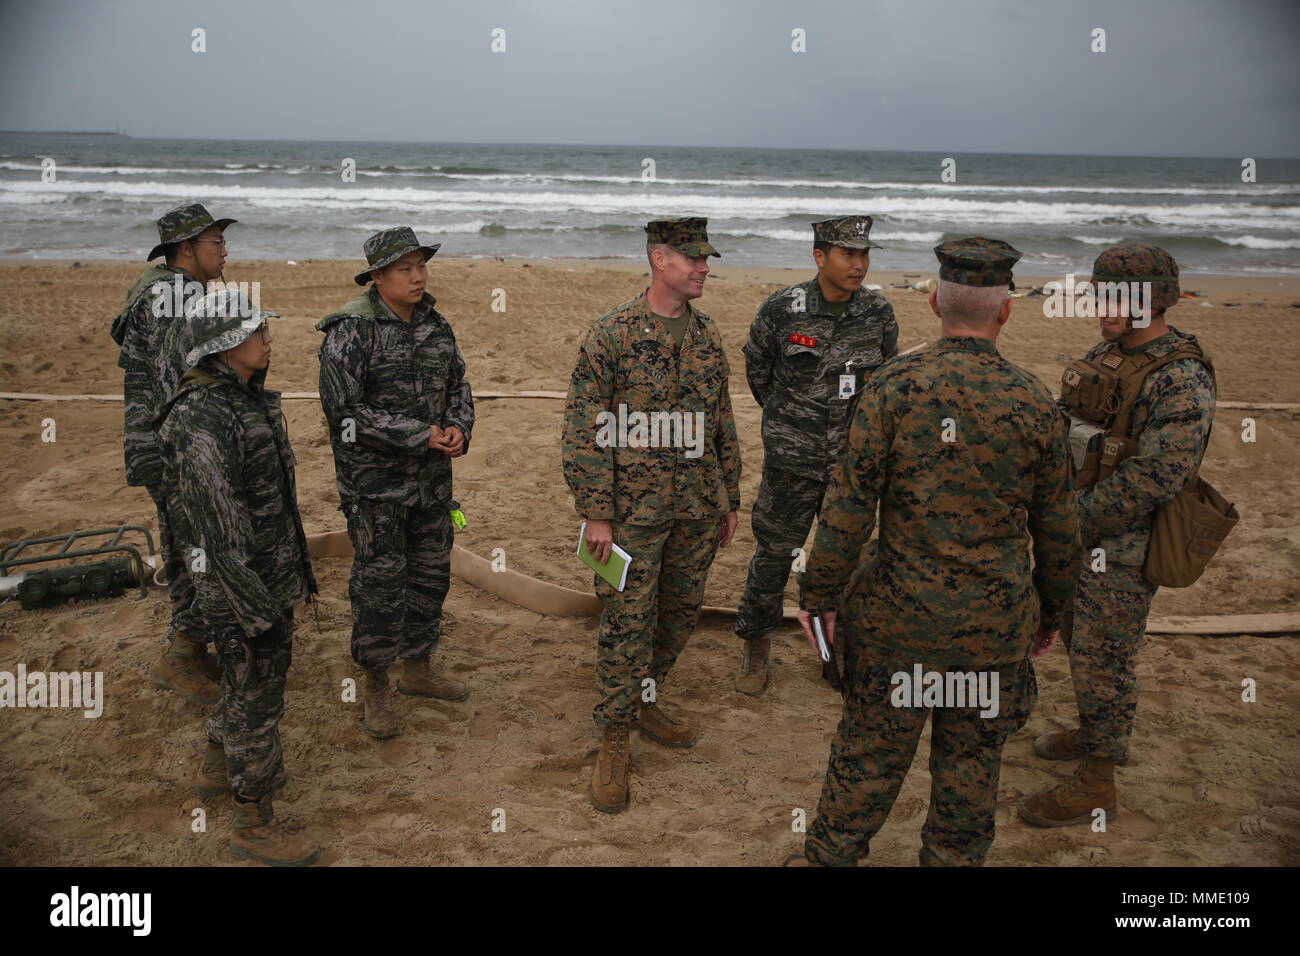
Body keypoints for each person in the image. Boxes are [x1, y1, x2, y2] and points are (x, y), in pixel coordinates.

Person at [790, 238, 1080, 865]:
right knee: (971, 769)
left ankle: (832, 857)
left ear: (933, 302)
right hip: (992, 626)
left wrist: (819, 598)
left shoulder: (894, 387)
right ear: (1005, 311)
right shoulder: (1034, 403)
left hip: (898, 623)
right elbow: (1060, 533)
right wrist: (1049, 615)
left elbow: (845, 509)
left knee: (868, 756)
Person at [1020, 244, 1215, 827]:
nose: (1101, 305)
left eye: (1117, 297)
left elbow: (1157, 476)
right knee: (1083, 646)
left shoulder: (1180, 377)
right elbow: (1067, 422)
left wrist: (1073, 522)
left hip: (1125, 548)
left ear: (1153, 301)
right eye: (1099, 293)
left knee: (1105, 659)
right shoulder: (1105, 354)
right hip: (1085, 533)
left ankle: (1098, 781)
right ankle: (1092, 734)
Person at [561, 217, 742, 813]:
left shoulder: (709, 336)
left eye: (706, 259)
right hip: (629, 516)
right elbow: (584, 432)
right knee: (624, 620)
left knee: (681, 613)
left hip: (696, 506)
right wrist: (597, 515)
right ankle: (613, 734)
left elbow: (721, 421)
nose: (703, 268)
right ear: (660, 259)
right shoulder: (610, 335)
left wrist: (729, 496)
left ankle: (646, 697)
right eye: (693, 259)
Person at [157, 289, 319, 866]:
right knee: (257, 699)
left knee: (242, 683)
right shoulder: (203, 418)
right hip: (241, 588)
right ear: (224, 347)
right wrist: (256, 611)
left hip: (266, 575)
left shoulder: (240, 398)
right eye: (256, 332)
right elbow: (218, 532)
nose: (268, 338)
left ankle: (213, 766)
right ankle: (253, 822)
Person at [317, 227, 475, 739]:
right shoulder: (350, 330)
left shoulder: (436, 324)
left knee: (430, 578)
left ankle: (419, 670)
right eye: (404, 269)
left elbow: (459, 385)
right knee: (380, 586)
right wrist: (419, 435)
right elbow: (344, 414)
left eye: (421, 265)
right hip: (376, 489)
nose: (417, 276)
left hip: (431, 484)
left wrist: (458, 427)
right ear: (378, 277)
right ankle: (377, 686)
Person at [734, 215, 898, 696]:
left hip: (852, 466)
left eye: (865, 254)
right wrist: (789, 422)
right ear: (819, 257)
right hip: (792, 461)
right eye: (849, 254)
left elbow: (884, 381)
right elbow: (758, 369)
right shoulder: (783, 309)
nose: (859, 264)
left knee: (845, 559)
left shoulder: (878, 314)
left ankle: (837, 647)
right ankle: (756, 643)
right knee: (774, 555)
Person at [110, 202, 234, 705]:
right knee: (203, 546)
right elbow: (175, 381)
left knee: (186, 544)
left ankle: (190, 647)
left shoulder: (165, 288)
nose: (225, 252)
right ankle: (182, 653)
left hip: (160, 443)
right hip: (177, 447)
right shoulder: (172, 296)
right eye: (216, 243)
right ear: (187, 249)